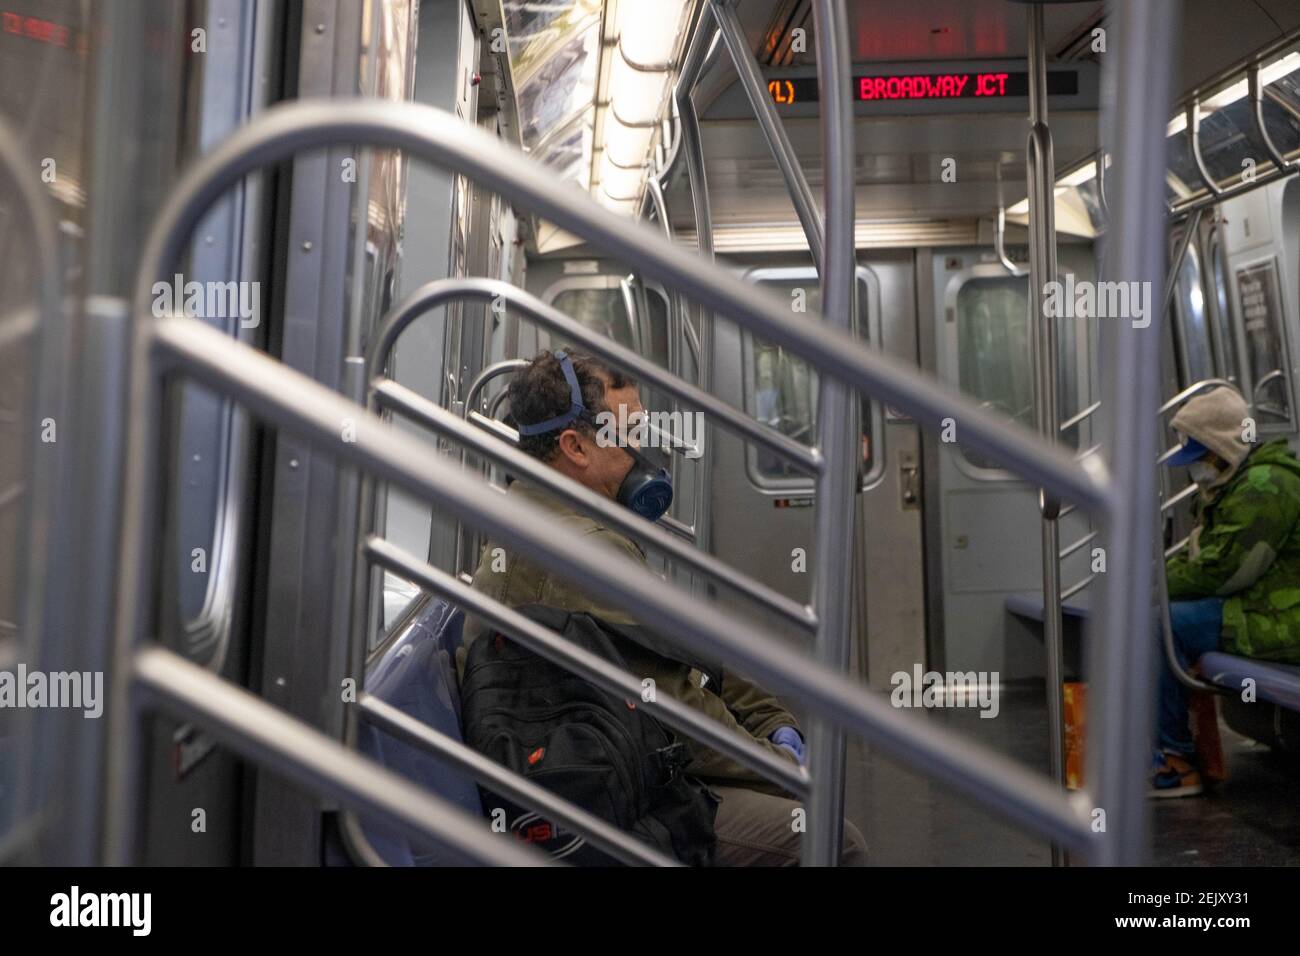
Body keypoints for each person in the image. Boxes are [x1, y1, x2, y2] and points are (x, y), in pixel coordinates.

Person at [457, 347, 868, 865]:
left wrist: (769, 722)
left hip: (613, 753)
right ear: (575, 446)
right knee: (832, 840)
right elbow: (676, 706)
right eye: (631, 434)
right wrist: (780, 768)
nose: (646, 452)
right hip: (606, 796)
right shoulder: (578, 547)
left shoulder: (545, 514)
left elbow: (682, 654)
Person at [1153, 386, 1300, 797]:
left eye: (1201, 457)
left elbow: (1223, 572)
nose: (1196, 470)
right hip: (1260, 606)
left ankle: (1174, 760)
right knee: (1160, 616)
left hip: (1282, 619)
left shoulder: (1265, 487)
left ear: (1223, 448)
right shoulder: (1235, 483)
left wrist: (1150, 587)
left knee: (1159, 625)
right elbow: (1206, 558)